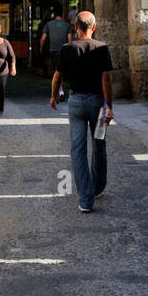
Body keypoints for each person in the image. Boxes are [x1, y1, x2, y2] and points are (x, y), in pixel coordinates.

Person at [50, 11, 113, 213]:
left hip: (76, 102)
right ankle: (97, 187)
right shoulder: (102, 48)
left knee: (78, 150)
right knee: (99, 144)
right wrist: (108, 105)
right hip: (97, 103)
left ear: (76, 28)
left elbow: (57, 77)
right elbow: (106, 79)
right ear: (93, 27)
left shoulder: (67, 49)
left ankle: (85, 199)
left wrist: (54, 96)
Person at [40, 5, 71, 75]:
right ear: (62, 13)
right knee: (63, 70)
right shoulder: (67, 25)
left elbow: (43, 39)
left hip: (53, 50)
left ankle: (56, 84)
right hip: (64, 50)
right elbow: (70, 40)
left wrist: (41, 48)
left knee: (55, 70)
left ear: (54, 14)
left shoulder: (48, 24)